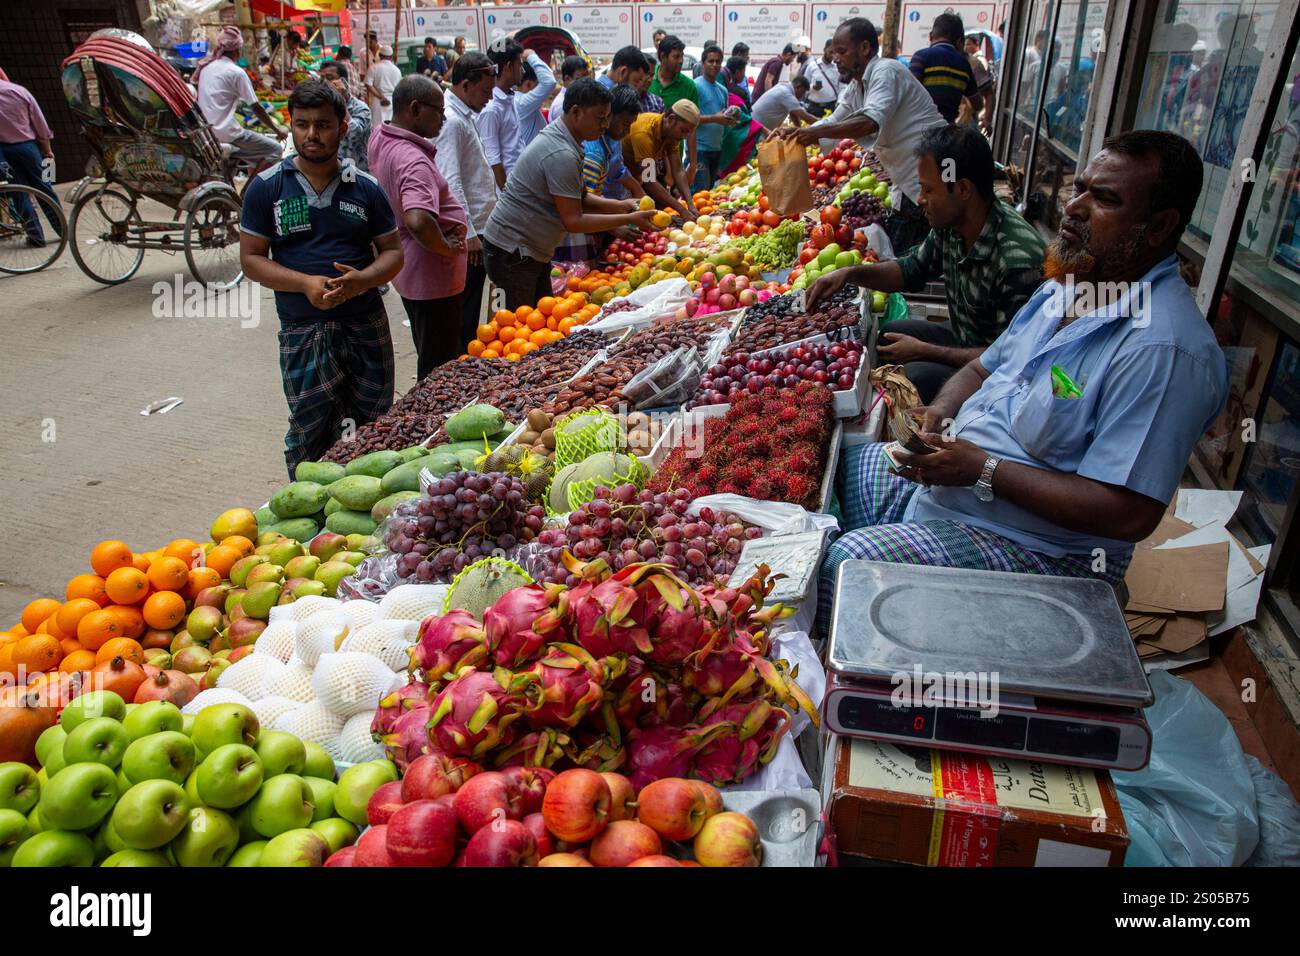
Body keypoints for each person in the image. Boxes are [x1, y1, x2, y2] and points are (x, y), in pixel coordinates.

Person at [816, 130, 1228, 632]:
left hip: (1038, 549)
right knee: (833, 467)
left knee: (850, 563)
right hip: (958, 486)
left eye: (1105, 199)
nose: (1074, 208)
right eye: (1080, 188)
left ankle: (866, 665)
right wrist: (938, 415)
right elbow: (981, 367)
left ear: (1159, 225)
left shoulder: (1164, 350)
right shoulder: (1068, 286)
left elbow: (1128, 514)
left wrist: (982, 469)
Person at [807, 126, 1045, 402]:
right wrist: (848, 274)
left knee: (912, 377)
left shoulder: (1018, 259)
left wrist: (926, 350)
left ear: (963, 189)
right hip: (966, 338)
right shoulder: (952, 224)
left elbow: (1011, 358)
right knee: (889, 338)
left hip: (999, 374)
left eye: (928, 189)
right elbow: (910, 271)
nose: (920, 200)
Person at [238, 79, 403, 476]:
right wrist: (306, 284)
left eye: (323, 125)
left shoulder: (365, 188)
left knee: (374, 422)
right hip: (303, 327)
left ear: (343, 128)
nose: (312, 134)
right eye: (302, 124)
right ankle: (308, 509)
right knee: (308, 425)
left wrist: (362, 280)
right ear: (290, 125)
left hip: (364, 321)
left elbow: (394, 253)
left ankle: (366, 498)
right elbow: (251, 260)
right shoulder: (266, 188)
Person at [482, 78, 658, 310]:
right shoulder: (561, 152)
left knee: (539, 321)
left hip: (529, 251)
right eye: (600, 117)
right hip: (513, 252)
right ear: (576, 112)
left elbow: (582, 197)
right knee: (516, 329)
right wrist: (628, 218)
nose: (605, 124)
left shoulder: (572, 142)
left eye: (607, 117)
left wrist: (624, 205)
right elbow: (573, 220)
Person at [773, 18, 945, 254]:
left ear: (864, 48)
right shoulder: (856, 87)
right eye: (834, 52)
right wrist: (796, 135)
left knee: (933, 250)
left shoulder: (886, 71)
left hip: (938, 168)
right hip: (908, 177)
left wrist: (814, 132)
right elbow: (834, 121)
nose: (835, 58)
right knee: (910, 253)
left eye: (842, 52)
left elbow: (869, 122)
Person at [369, 75, 467, 381]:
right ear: (415, 109)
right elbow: (418, 220)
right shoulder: (413, 160)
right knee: (440, 364)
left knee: (431, 349)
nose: (443, 118)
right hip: (431, 276)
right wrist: (445, 247)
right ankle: (437, 421)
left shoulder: (381, 137)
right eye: (438, 111)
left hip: (411, 270)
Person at [436, 52, 498, 350]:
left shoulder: (463, 115)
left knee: (472, 305)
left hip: (479, 225)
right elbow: (451, 180)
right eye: (485, 91)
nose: (489, 98)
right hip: (470, 233)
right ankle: (462, 364)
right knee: (466, 309)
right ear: (465, 84)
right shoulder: (451, 121)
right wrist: (468, 233)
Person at [556, 84, 645, 262]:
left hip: (598, 213)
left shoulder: (611, 140)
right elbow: (581, 206)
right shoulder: (593, 153)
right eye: (625, 124)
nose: (627, 132)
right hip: (578, 228)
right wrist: (617, 224)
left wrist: (631, 200)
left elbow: (619, 171)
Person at [192, 26, 286, 176]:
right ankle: (251, 191)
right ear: (238, 50)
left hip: (207, 132)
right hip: (226, 133)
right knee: (275, 150)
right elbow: (256, 107)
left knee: (254, 156)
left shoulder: (206, 68)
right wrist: (277, 130)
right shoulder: (236, 72)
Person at [479, 39, 556, 188]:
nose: (523, 69)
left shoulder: (511, 98)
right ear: (508, 67)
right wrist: (509, 197)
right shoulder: (492, 108)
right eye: (520, 64)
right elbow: (493, 160)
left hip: (520, 184)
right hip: (509, 193)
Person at [0, 73, 62, 246]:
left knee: (17, 193)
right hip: (28, 148)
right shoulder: (19, 91)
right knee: (44, 188)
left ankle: (35, 236)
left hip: (3, 151)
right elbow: (39, 122)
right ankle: (62, 229)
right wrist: (47, 149)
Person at [623, 100, 700, 219]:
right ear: (671, 119)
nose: (685, 136)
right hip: (622, 183)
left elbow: (678, 170)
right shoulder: (643, 134)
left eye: (689, 132)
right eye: (684, 130)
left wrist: (690, 204)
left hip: (637, 179)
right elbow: (649, 180)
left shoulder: (672, 132)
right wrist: (681, 209)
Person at [908, 13, 983, 125]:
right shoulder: (964, 64)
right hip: (948, 130)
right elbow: (978, 104)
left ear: (930, 36)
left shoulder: (921, 57)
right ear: (959, 41)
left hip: (919, 128)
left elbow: (909, 93)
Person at [692, 46, 732, 192]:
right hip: (699, 150)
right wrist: (715, 118)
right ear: (703, 63)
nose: (715, 65)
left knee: (709, 194)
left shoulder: (723, 90)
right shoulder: (695, 86)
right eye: (711, 61)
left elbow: (723, 117)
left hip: (717, 148)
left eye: (718, 62)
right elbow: (688, 120)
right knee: (699, 193)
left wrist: (730, 119)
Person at [319, 60, 371, 173]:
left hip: (354, 170)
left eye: (330, 77)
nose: (324, 82)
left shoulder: (360, 108)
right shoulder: (323, 108)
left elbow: (353, 133)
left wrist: (340, 100)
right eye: (322, 78)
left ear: (343, 81)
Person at [514, 56, 559, 152]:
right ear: (528, 84)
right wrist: (531, 55)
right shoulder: (522, 103)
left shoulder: (520, 101)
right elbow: (549, 82)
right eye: (538, 84)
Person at [752, 75, 817, 130]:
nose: (802, 95)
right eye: (803, 92)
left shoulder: (783, 87)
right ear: (798, 86)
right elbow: (805, 117)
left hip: (756, 124)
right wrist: (824, 124)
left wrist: (799, 130)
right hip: (756, 127)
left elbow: (793, 114)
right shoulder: (786, 94)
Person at [800, 39, 842, 117]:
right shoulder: (812, 66)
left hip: (831, 107)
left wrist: (840, 103)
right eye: (831, 52)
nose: (833, 56)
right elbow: (804, 86)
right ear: (824, 50)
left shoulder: (838, 68)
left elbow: (842, 87)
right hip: (813, 107)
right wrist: (813, 87)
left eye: (835, 53)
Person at [548, 55, 592, 125]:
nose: (586, 83)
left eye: (587, 78)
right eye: (580, 79)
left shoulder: (576, 97)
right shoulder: (561, 105)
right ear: (567, 78)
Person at [366, 45, 402, 125]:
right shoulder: (397, 70)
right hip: (392, 101)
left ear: (380, 55)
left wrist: (381, 97)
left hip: (378, 101)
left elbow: (368, 85)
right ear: (391, 57)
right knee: (391, 127)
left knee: (377, 127)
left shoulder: (373, 67)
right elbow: (399, 88)